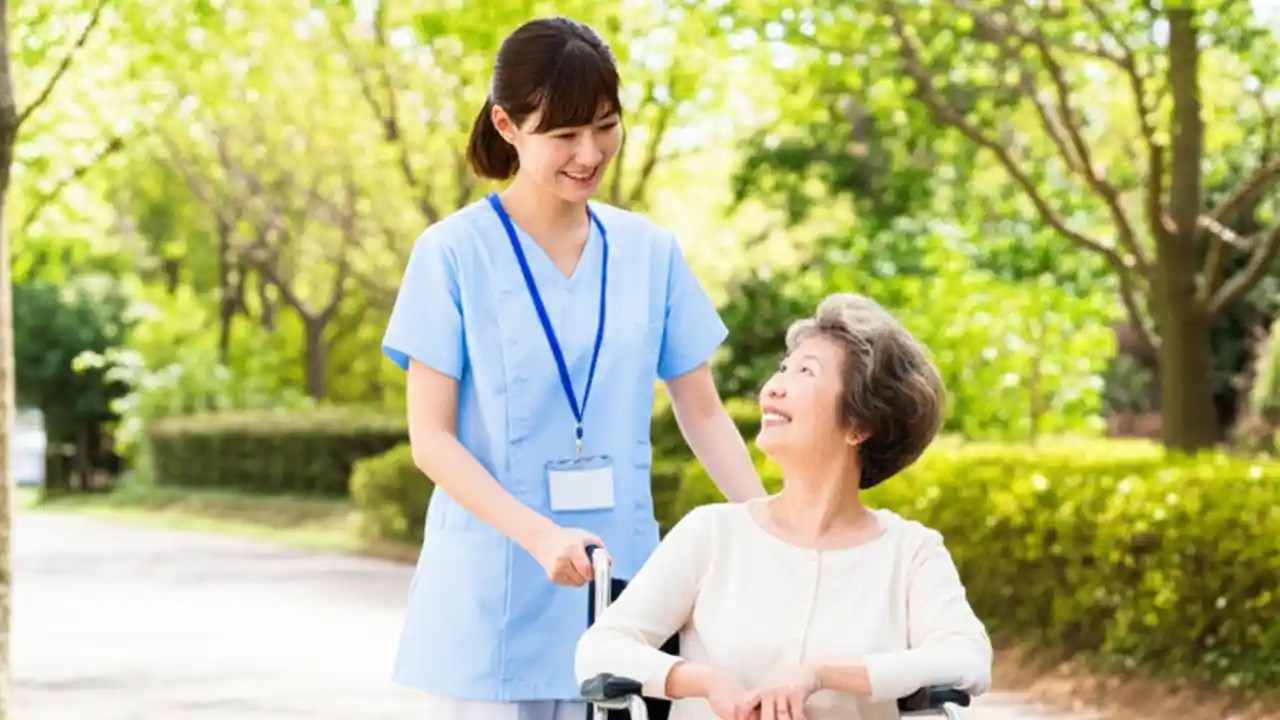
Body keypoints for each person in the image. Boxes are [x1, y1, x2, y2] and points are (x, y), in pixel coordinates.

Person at [380, 15, 767, 720]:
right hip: (494, 589)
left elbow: (702, 411)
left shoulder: (650, 253)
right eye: (563, 135)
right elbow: (430, 440)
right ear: (507, 125)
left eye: (605, 126)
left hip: (627, 590)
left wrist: (770, 531)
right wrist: (538, 535)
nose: (589, 153)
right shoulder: (452, 255)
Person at [574, 293, 993, 720]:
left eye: (805, 372)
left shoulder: (909, 552)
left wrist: (821, 675)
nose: (773, 387)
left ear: (859, 424)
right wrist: (706, 681)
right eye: (783, 369)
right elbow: (599, 650)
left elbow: (968, 659)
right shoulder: (713, 533)